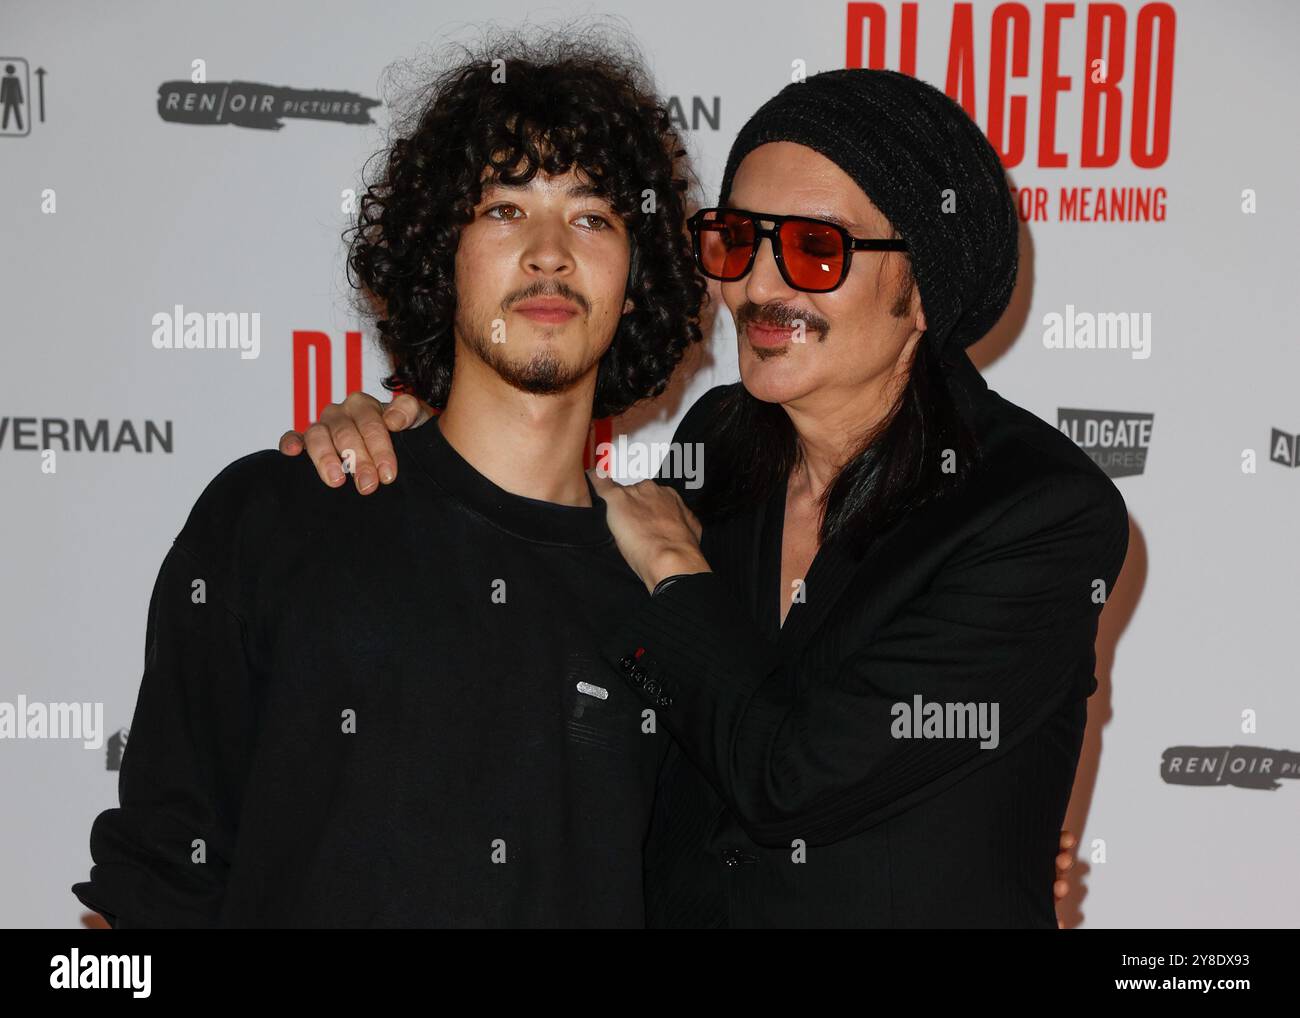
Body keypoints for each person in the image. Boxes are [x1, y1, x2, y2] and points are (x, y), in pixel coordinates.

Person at [282, 69, 1115, 927]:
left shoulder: (1032, 510)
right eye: (735, 241)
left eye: (815, 250)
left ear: (923, 286)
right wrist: (415, 438)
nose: (758, 287)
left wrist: (679, 572)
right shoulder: (720, 443)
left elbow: (793, 777)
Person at [71, 30, 707, 928]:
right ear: (436, 255)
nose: (550, 252)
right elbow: (149, 892)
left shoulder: (670, 599)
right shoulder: (278, 514)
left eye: (593, 215)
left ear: (636, 282)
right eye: (503, 208)